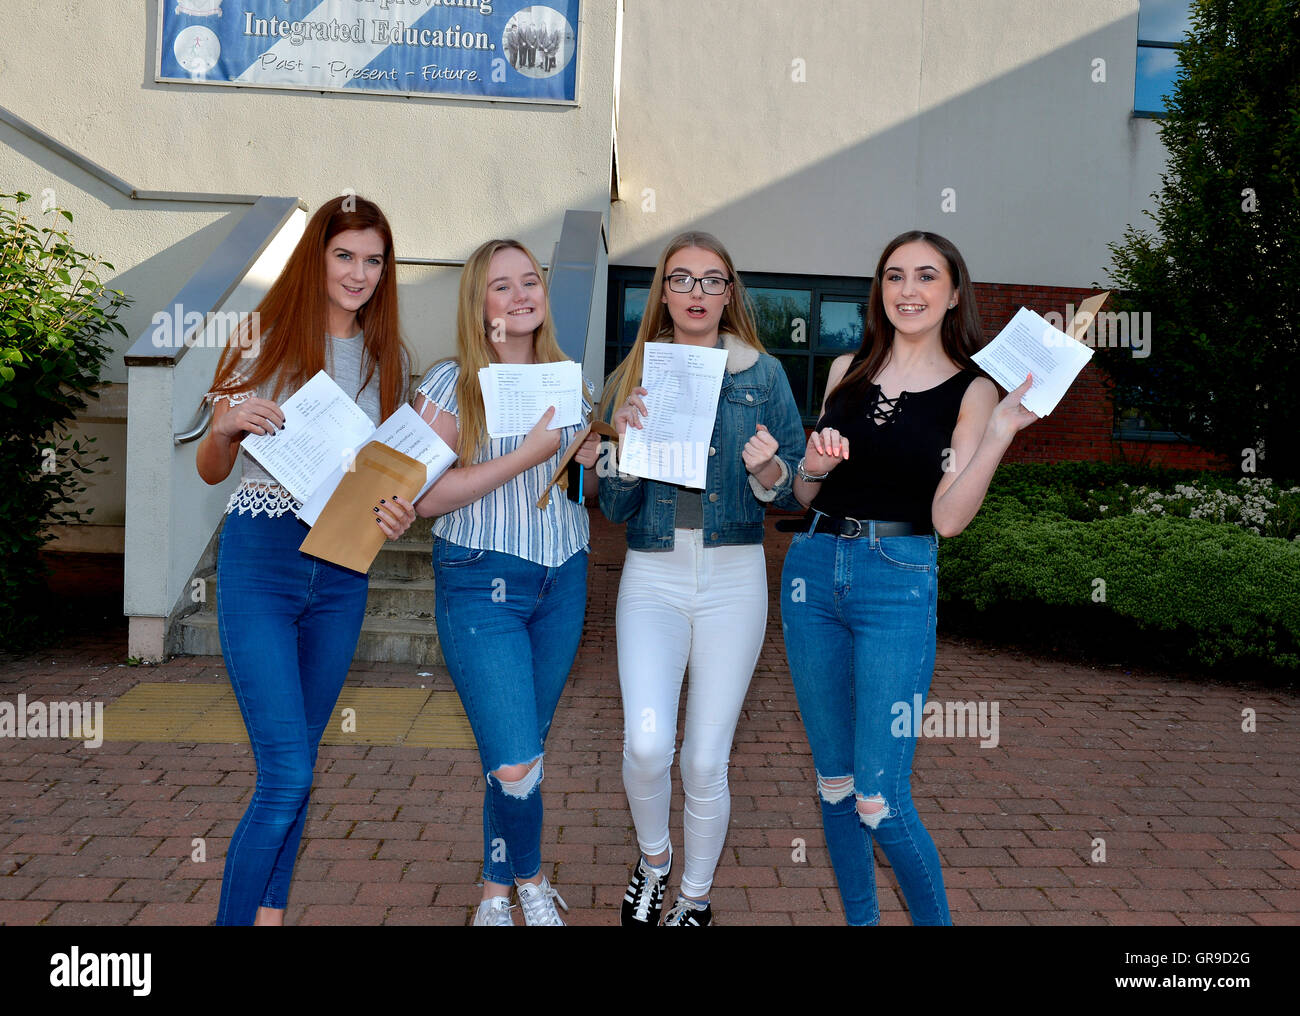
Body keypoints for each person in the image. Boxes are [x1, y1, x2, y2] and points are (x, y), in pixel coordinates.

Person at [779, 230, 1038, 926]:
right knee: (834, 785)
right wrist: (814, 465)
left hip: (896, 577)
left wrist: (1002, 432)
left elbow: (949, 518)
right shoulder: (844, 370)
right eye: (895, 276)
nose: (909, 290)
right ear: (880, 290)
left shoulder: (974, 389)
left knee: (879, 796)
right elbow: (802, 496)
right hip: (811, 568)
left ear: (954, 292)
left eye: (927, 276)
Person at [197, 195, 416, 926]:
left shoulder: (389, 362)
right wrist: (225, 426)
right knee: (285, 774)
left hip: (343, 567)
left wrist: (399, 506)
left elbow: (386, 473)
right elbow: (209, 468)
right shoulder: (264, 337)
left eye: (374, 260)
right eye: (345, 256)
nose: (359, 273)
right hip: (262, 557)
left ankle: (267, 918)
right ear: (318, 257)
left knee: (298, 773)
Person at [599, 231, 804, 926]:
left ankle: (694, 897)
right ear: (663, 291)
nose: (696, 293)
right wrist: (620, 454)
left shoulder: (764, 376)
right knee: (649, 744)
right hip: (653, 574)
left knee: (705, 759)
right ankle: (654, 861)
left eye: (711, 281)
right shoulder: (633, 377)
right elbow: (615, 505)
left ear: (729, 293)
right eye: (681, 280)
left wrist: (768, 469)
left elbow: (797, 485)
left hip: (734, 576)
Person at [413, 239, 600, 927]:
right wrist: (525, 455)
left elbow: (578, 487)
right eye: (502, 286)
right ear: (478, 303)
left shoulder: (568, 382)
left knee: (516, 749)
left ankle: (494, 892)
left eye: (531, 282)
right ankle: (531, 877)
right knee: (517, 764)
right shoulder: (448, 382)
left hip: (563, 578)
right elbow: (426, 496)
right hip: (480, 580)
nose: (522, 295)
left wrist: (598, 460)